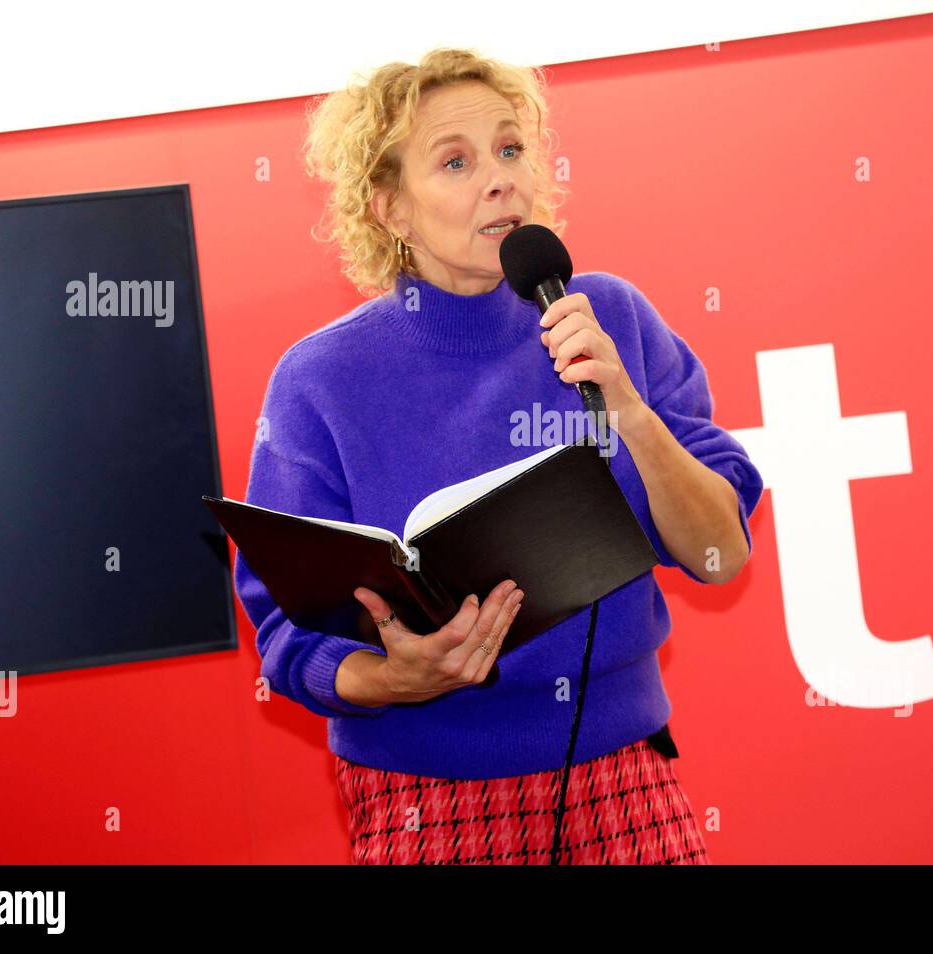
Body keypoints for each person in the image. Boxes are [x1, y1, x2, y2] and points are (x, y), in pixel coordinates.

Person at [234, 47, 765, 864]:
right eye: (456, 162)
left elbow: (721, 555)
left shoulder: (610, 317)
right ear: (390, 208)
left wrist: (628, 409)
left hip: (621, 776)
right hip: (424, 799)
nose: (500, 180)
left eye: (511, 149)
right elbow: (286, 632)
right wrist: (396, 678)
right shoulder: (319, 380)